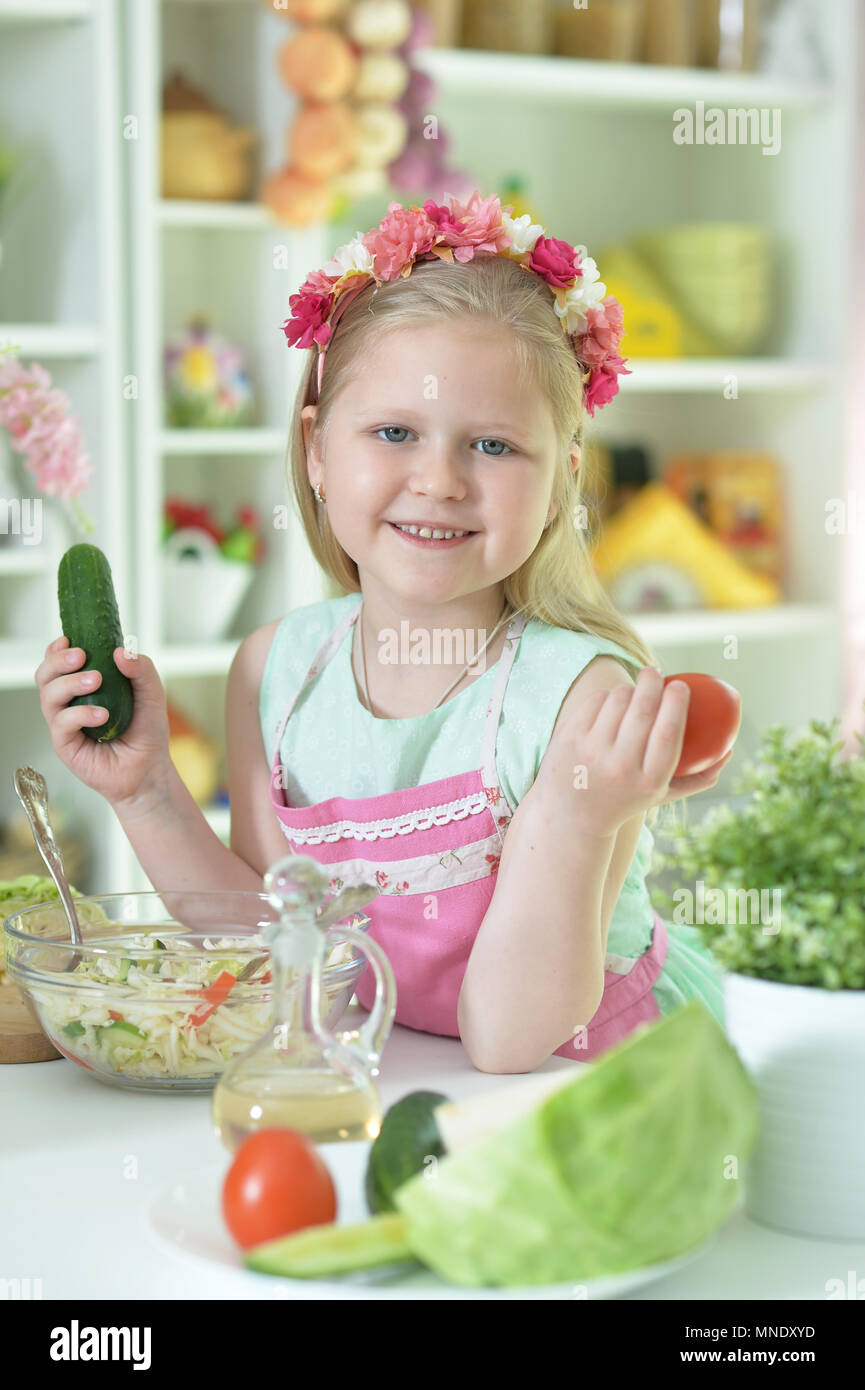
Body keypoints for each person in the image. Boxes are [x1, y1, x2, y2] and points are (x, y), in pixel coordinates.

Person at [35, 191, 732, 1075]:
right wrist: (144, 790)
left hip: (577, 1085)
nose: (437, 481)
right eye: (394, 432)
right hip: (390, 1066)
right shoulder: (277, 670)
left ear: (562, 476)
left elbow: (509, 1041)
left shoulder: (581, 698)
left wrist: (576, 816)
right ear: (319, 452)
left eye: (492, 446)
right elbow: (271, 940)